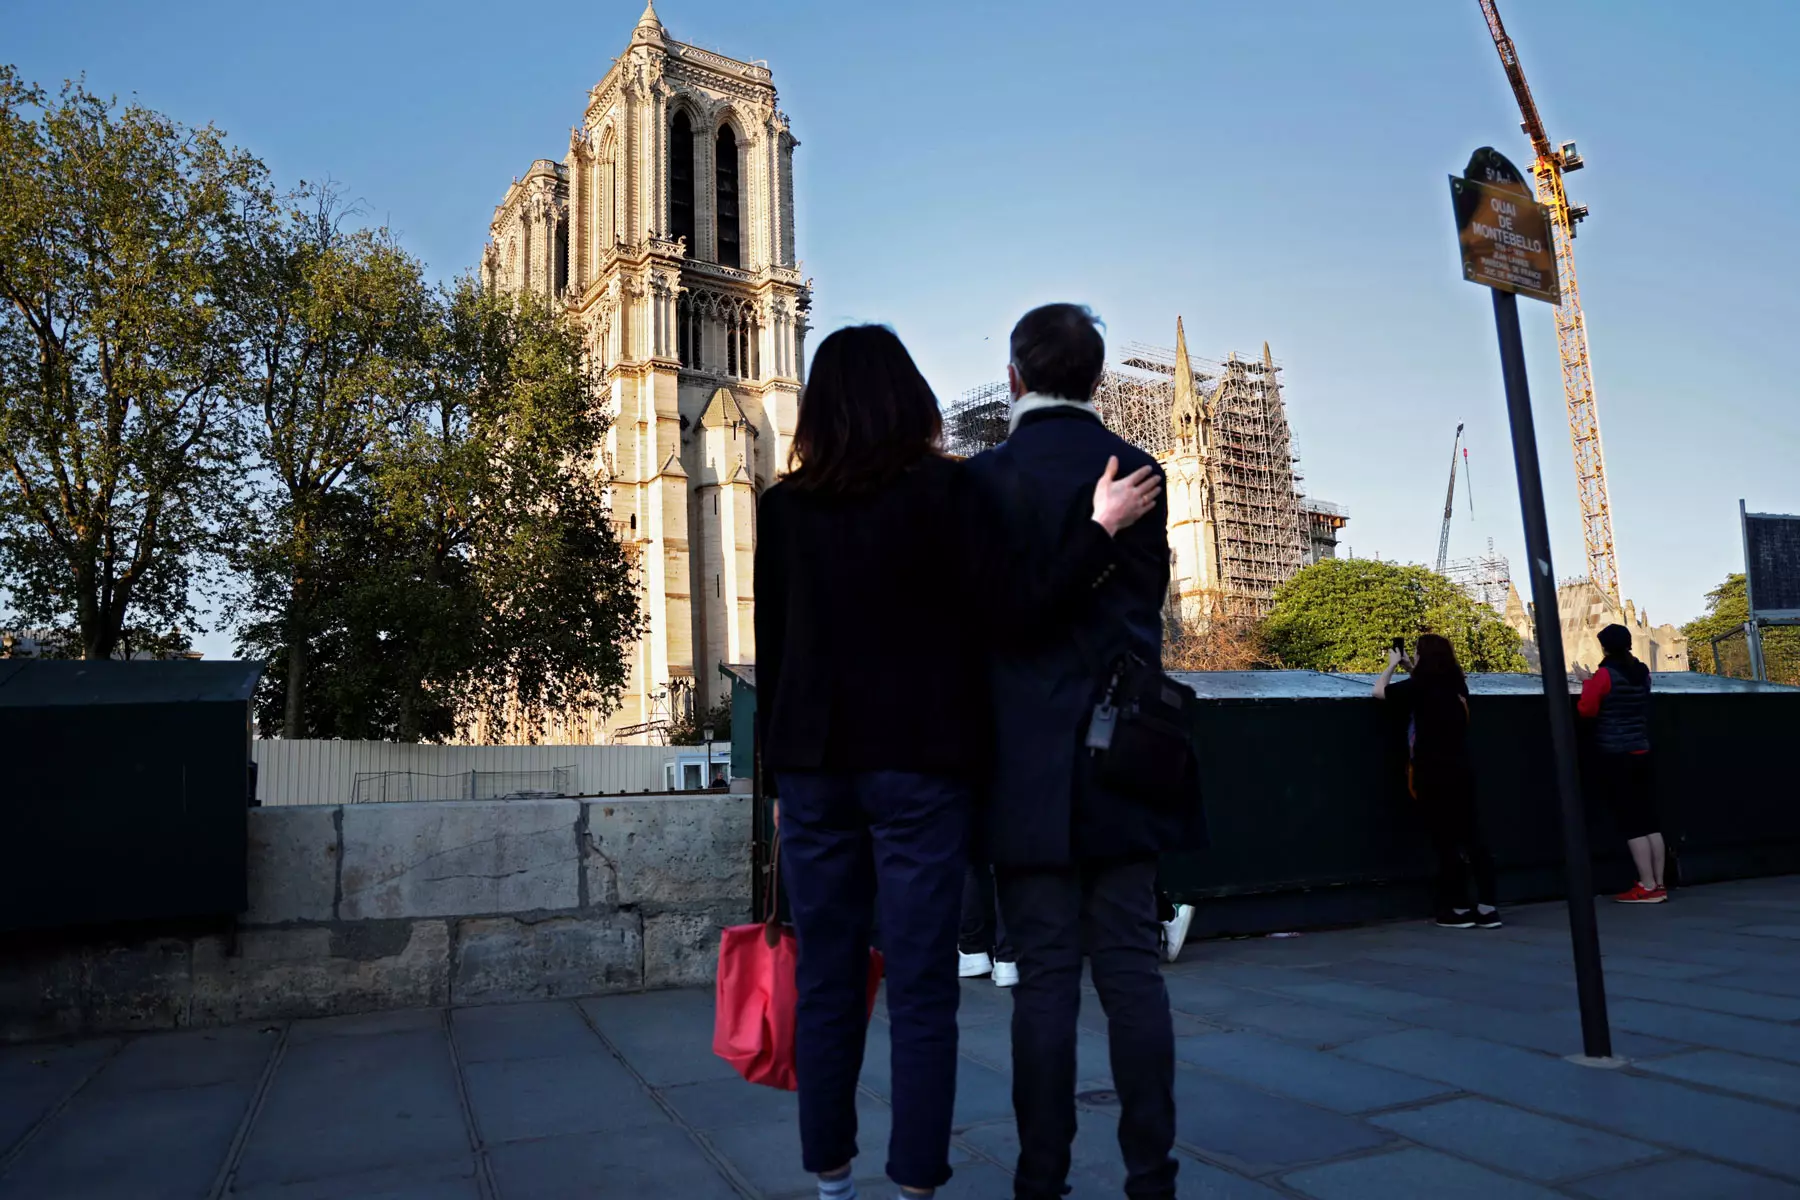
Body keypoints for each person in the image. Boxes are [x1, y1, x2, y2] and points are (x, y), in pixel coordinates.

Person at [754, 323, 1161, 1200]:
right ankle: (916, 1185)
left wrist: (776, 793)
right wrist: (1096, 530)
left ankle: (832, 1182)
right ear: (911, 400)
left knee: (827, 980)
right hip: (921, 765)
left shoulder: (783, 509)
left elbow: (774, 652)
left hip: (816, 769)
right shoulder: (947, 493)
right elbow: (1016, 612)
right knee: (921, 984)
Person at [965, 303, 1203, 1200]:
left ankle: (1042, 1179)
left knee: (1045, 990)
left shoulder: (984, 481)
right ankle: (1153, 1178)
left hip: (1025, 770)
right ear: (1097, 381)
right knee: (1134, 979)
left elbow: (994, 623)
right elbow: (1142, 614)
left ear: (1015, 377)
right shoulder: (1140, 473)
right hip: (1129, 760)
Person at [1375, 633, 1501, 929]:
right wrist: (1411, 666)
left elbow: (1380, 692)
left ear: (1423, 657)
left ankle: (1456, 908)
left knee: (1445, 840)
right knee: (1473, 838)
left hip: (1432, 772)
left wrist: (1392, 665)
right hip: (1462, 769)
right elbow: (1430, 688)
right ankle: (1487, 907)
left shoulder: (1419, 687)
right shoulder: (1458, 685)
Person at [1579, 623, 1665, 904]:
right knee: (1649, 820)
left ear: (1604, 646)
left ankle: (1647, 885)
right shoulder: (1642, 672)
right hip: (1642, 750)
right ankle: (1659, 883)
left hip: (1616, 755)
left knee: (1631, 823)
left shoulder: (1605, 674)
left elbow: (1587, 709)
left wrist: (1586, 682)